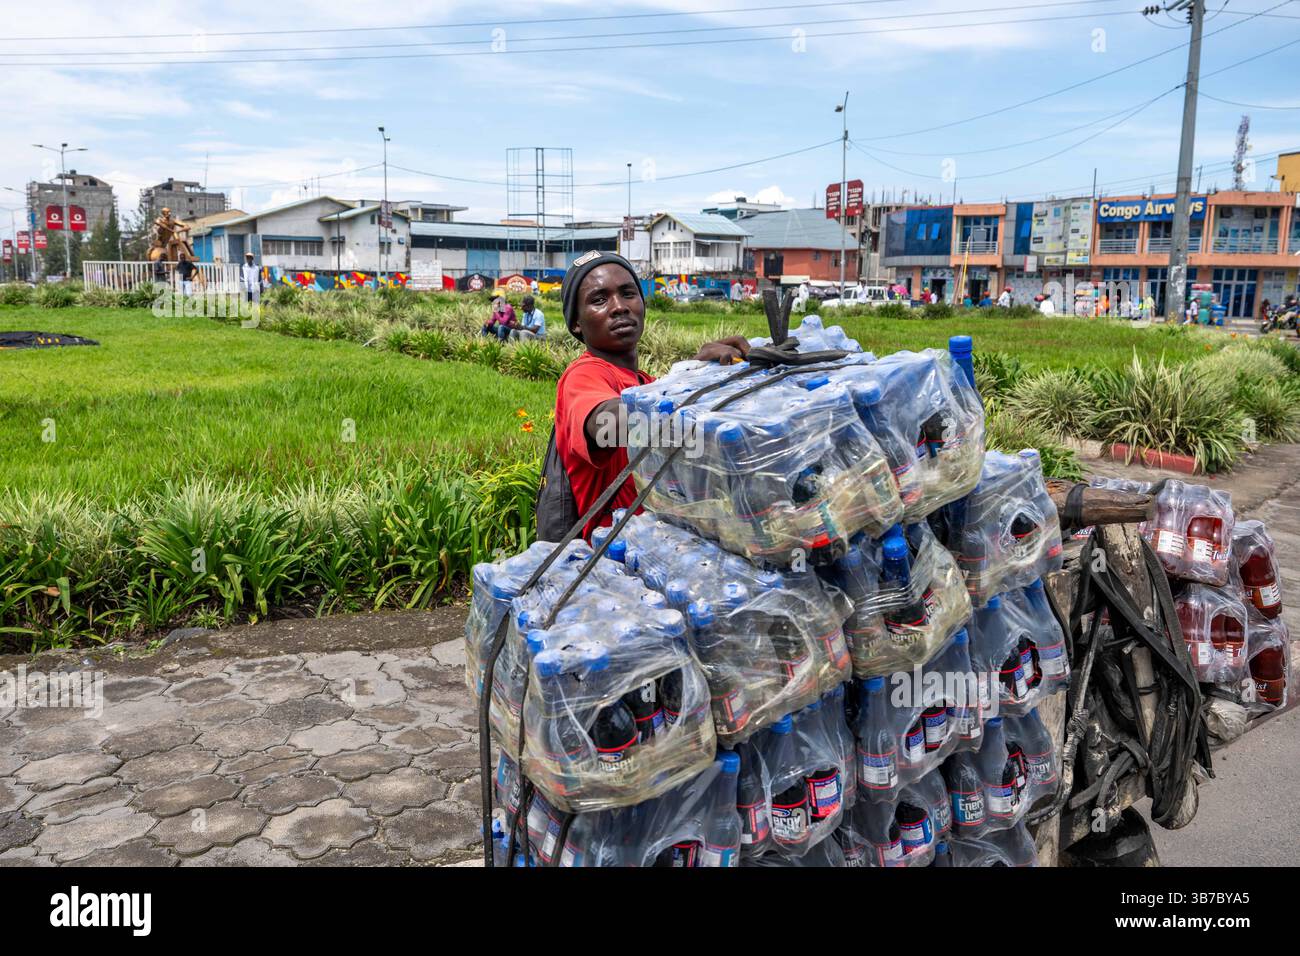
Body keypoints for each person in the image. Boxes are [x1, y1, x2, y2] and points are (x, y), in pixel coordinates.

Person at [549, 251, 750, 540]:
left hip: (664, 543)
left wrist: (697, 372)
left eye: (628, 293)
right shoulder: (584, 375)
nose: (619, 307)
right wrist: (691, 384)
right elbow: (611, 427)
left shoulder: (645, 384)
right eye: (599, 299)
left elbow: (667, 416)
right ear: (576, 323)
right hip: (617, 560)